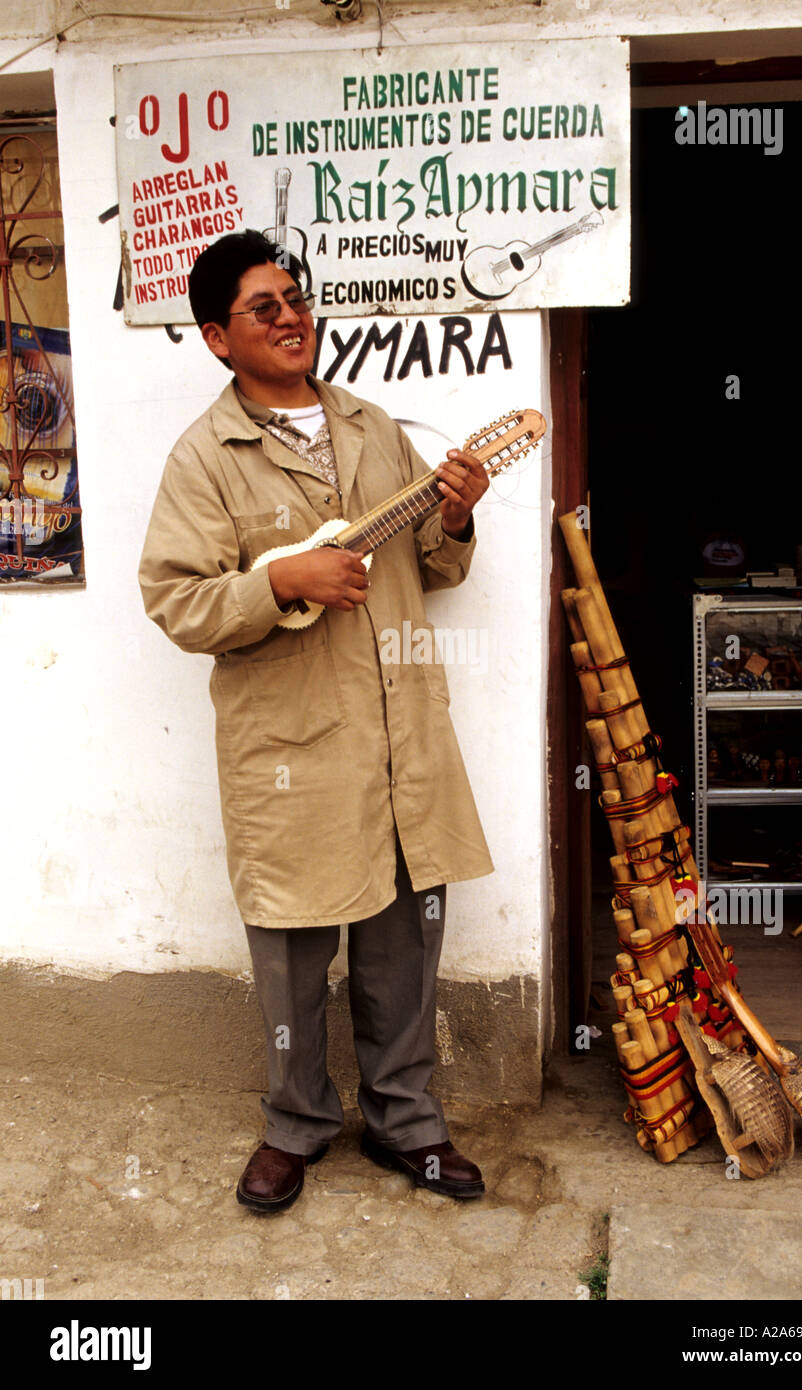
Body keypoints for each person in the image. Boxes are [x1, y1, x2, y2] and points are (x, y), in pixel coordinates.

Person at [138, 230, 494, 1212]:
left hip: (397, 743)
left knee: (402, 950)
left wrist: (457, 512)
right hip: (288, 753)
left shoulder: (375, 428)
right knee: (292, 960)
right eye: (264, 306)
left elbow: (435, 558)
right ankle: (294, 1125)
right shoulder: (206, 457)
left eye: (294, 296)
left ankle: (407, 1122)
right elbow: (177, 601)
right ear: (218, 338)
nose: (291, 315)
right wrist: (278, 580)